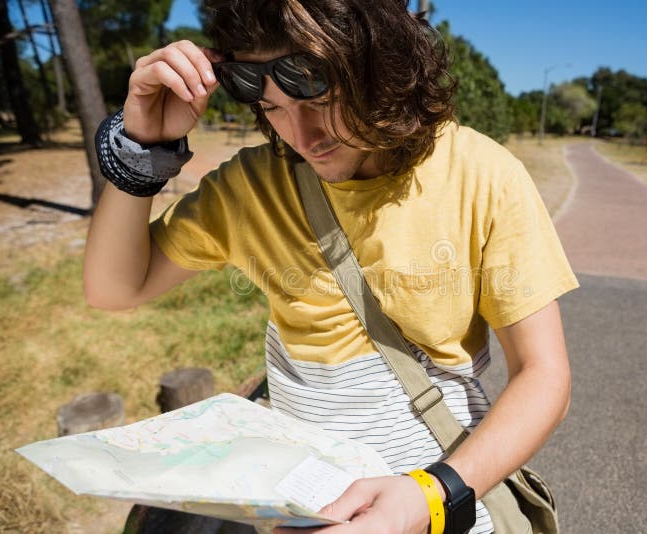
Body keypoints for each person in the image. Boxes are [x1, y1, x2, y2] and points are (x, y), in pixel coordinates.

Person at [85, 1, 579, 533]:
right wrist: (142, 149)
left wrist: (427, 497)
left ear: (379, 62)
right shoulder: (249, 188)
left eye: (317, 94)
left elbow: (545, 375)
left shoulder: (483, 176)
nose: (304, 136)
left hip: (447, 502)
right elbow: (114, 289)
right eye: (271, 107)